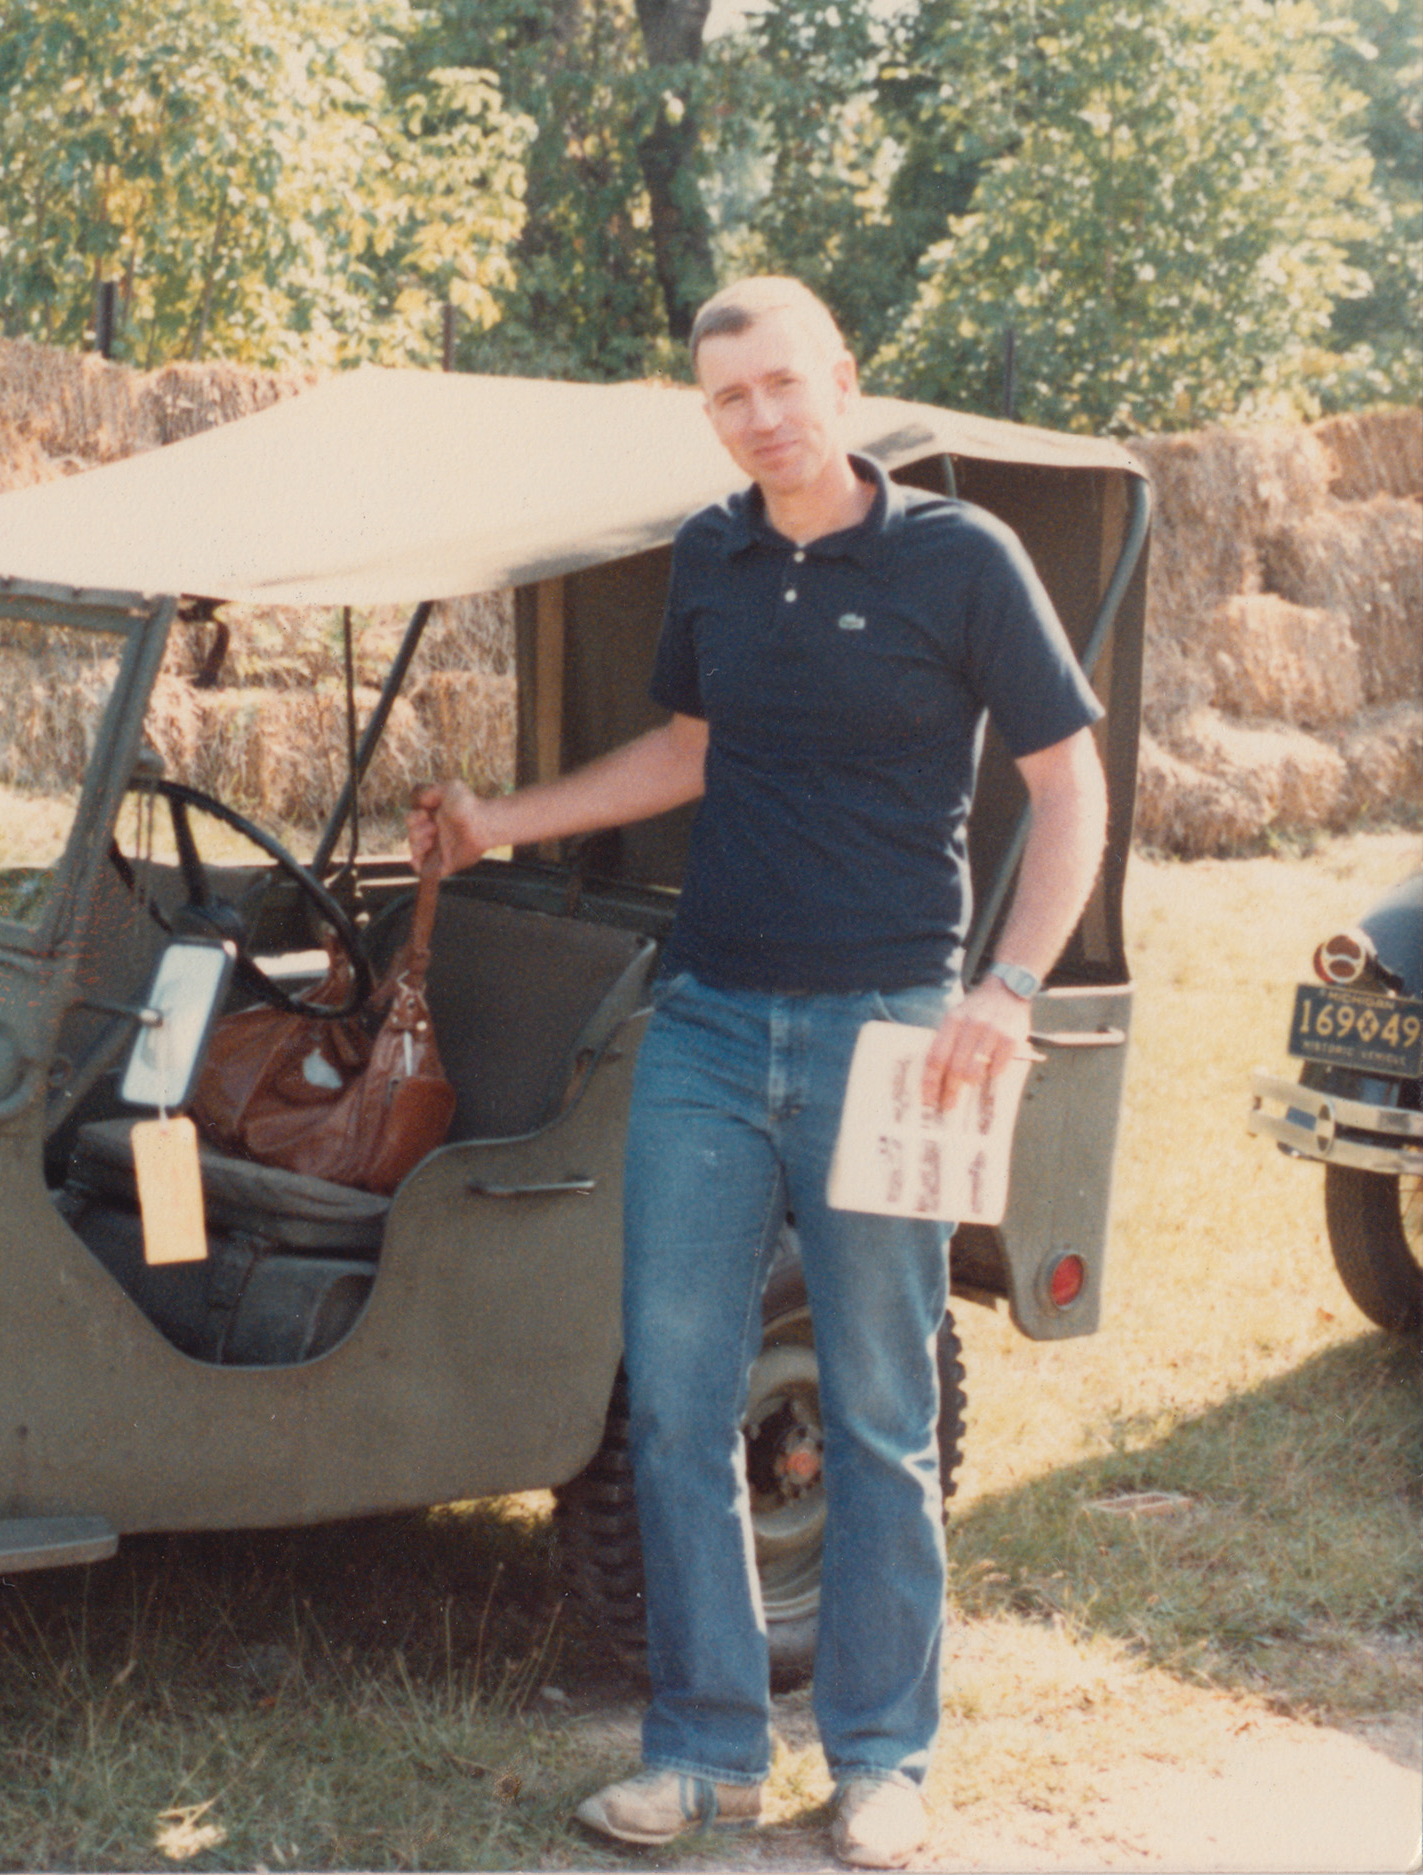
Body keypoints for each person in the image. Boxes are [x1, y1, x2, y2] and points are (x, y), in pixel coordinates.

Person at [409, 276, 1106, 1870]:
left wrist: (1002, 989)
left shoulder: (961, 558)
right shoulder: (713, 554)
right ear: (710, 415)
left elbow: (1072, 792)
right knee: (673, 1405)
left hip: (894, 1041)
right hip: (712, 1026)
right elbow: (690, 755)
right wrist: (496, 822)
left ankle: (879, 1761)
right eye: (731, 398)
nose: (764, 417)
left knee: (875, 1409)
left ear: (844, 384)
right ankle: (707, 1756)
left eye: (786, 385)